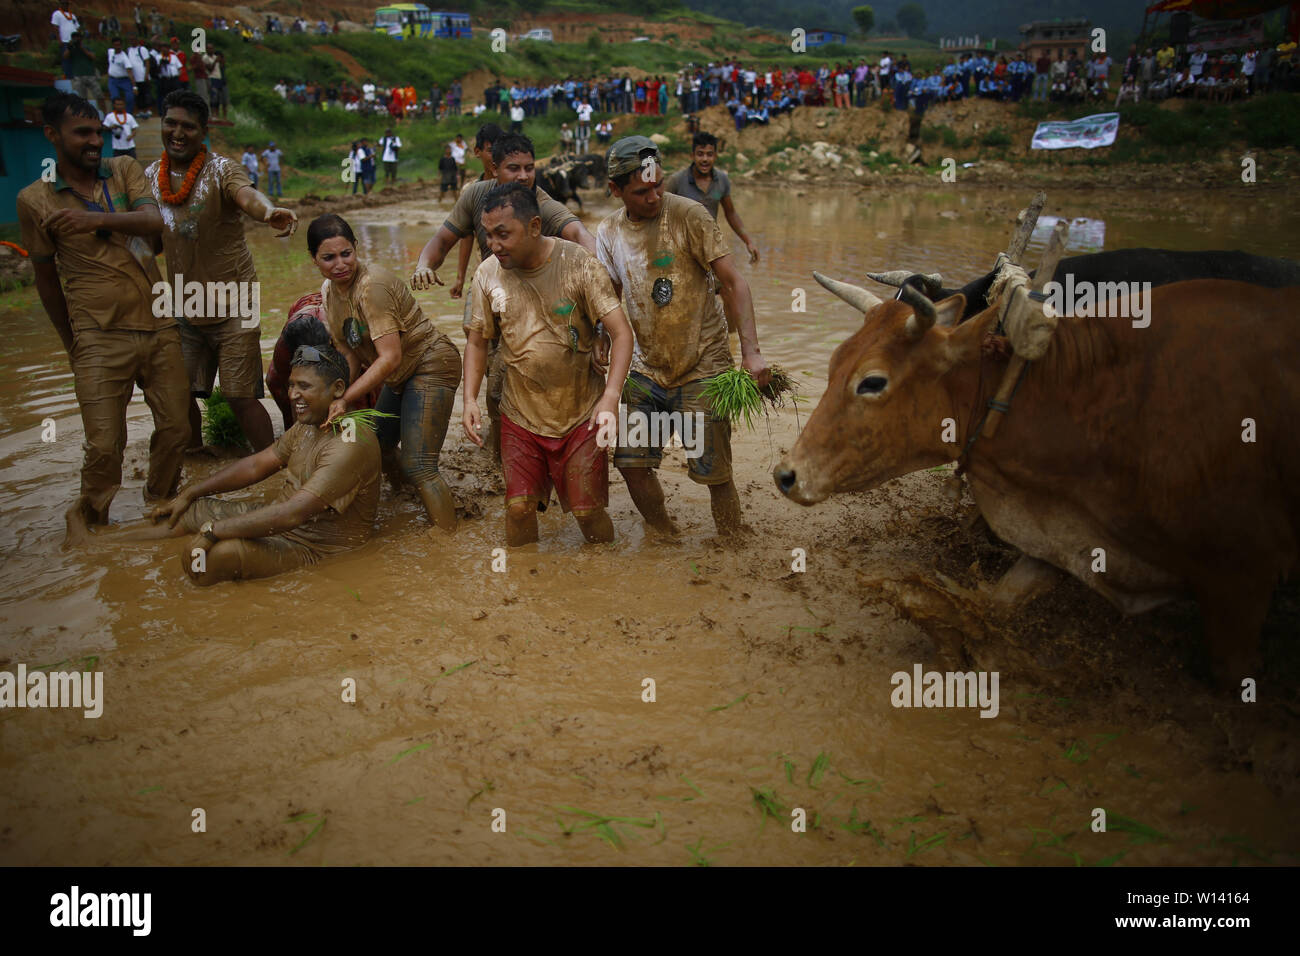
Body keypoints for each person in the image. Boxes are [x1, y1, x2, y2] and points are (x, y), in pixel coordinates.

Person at [18, 92, 189, 535]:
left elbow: (154, 223)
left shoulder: (124, 170)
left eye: (99, 132)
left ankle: (161, 502)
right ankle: (92, 522)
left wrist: (91, 221)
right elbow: (45, 279)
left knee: (177, 429)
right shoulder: (35, 199)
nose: (95, 141)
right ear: (52, 136)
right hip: (97, 335)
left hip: (159, 321)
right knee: (104, 446)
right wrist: (71, 342)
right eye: (83, 134)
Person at [596, 137, 769, 538]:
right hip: (644, 367)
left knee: (714, 472)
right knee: (631, 463)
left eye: (658, 185)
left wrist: (752, 354)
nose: (655, 196)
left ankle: (732, 541)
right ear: (615, 191)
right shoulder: (608, 232)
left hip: (703, 364)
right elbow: (608, 295)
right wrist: (600, 337)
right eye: (641, 191)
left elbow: (734, 283)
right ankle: (664, 534)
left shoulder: (689, 214)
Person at [95, 343, 381, 584]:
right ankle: (96, 545)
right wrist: (191, 492)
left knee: (208, 558)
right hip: (280, 520)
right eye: (291, 385)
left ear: (338, 389)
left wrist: (213, 530)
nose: (293, 395)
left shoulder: (350, 442)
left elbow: (293, 513)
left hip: (315, 546)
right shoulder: (309, 424)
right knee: (192, 510)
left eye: (303, 386)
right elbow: (257, 465)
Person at [464, 183, 634, 546]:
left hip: (581, 413)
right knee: (519, 509)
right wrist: (469, 401)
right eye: (488, 234)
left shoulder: (579, 264)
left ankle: (604, 576)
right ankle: (523, 586)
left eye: (503, 234)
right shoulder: (487, 274)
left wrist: (610, 398)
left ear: (536, 227)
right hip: (520, 413)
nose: (494, 245)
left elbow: (622, 333)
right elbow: (477, 341)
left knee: (588, 514)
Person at [411, 133, 598, 460]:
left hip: (534, 297)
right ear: (494, 169)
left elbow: (579, 234)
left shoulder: (539, 203)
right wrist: (424, 265)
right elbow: (442, 241)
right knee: (494, 383)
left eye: (529, 168)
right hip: (489, 291)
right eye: (514, 168)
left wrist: (596, 272)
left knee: (533, 374)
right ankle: (502, 453)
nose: (524, 176)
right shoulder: (475, 196)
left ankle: (543, 444)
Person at [145, 91, 297, 455]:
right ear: (162, 125)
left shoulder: (222, 170)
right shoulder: (151, 176)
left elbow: (247, 195)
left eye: (188, 126)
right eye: (171, 123)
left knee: (238, 394)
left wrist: (268, 212)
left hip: (235, 302)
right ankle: (195, 456)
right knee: (176, 392)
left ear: (203, 131)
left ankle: (270, 465)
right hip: (184, 304)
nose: (177, 133)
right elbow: (150, 240)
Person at [310, 214, 463, 532]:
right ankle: (405, 497)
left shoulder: (371, 286)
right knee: (378, 446)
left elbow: (390, 357)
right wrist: (337, 396)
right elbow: (350, 353)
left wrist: (346, 398)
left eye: (346, 254)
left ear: (355, 248)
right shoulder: (329, 292)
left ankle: (447, 539)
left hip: (430, 362)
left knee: (419, 464)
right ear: (315, 260)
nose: (340, 264)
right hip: (398, 375)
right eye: (329, 258)